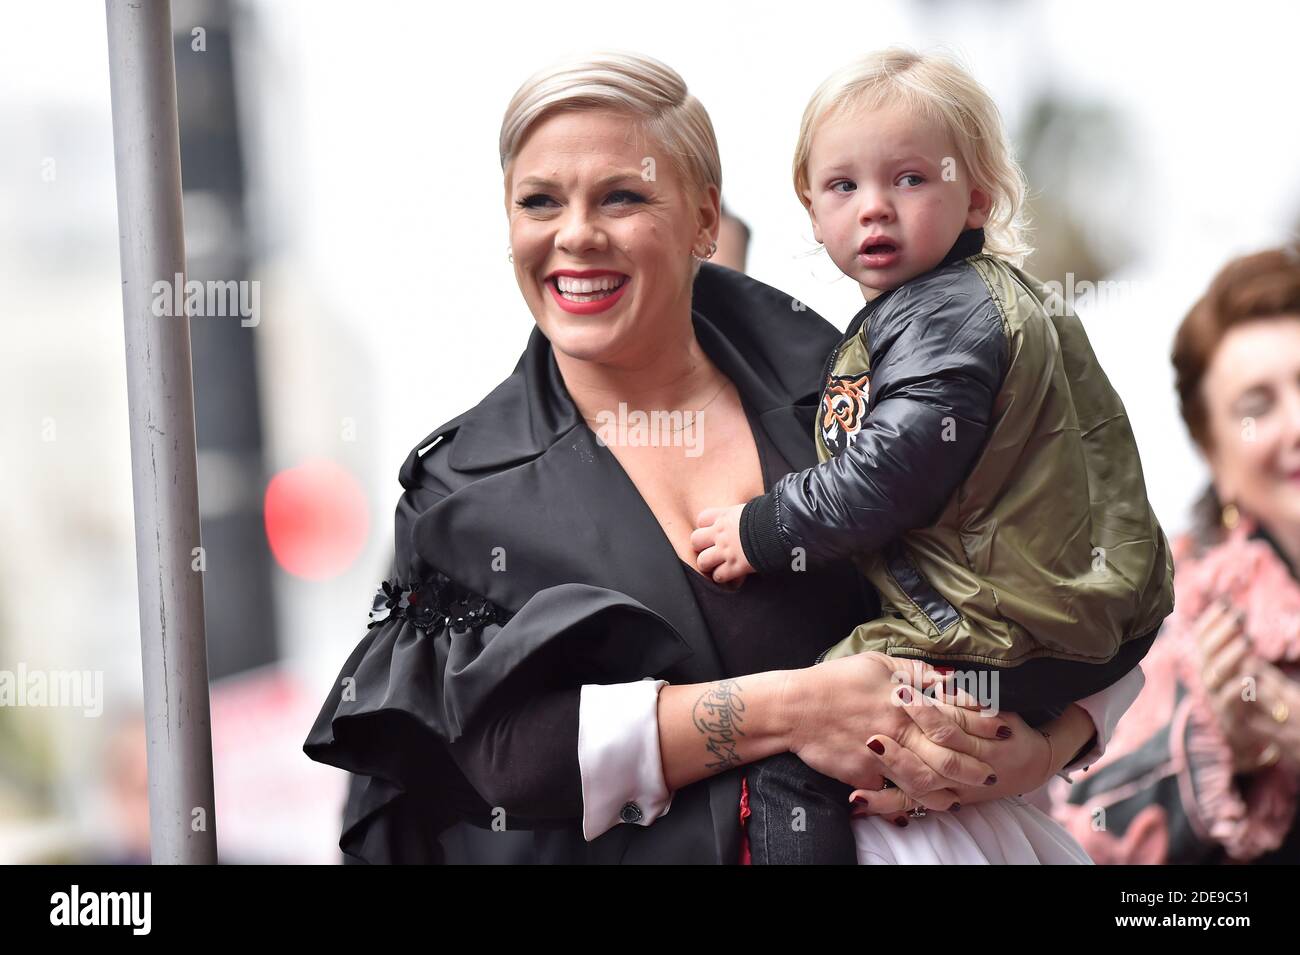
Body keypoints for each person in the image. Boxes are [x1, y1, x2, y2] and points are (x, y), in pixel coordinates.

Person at [303, 51, 1142, 865]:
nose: (577, 234)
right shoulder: (460, 490)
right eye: (539, 201)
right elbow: (492, 750)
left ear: (707, 219)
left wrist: (1044, 746)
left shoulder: (851, 376)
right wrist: (791, 708)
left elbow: (1064, 536)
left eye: (622, 196)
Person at [691, 48, 1173, 864]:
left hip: (996, 630)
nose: (875, 209)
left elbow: (887, 472)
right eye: (844, 187)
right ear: (811, 209)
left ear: (977, 194)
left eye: (910, 180)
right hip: (1080, 620)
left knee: (792, 753)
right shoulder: (970, 305)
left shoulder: (947, 316)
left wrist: (761, 528)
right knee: (897, 746)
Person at [1048, 248, 1300, 864]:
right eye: (1256, 407)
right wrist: (1222, 748)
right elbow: (1082, 830)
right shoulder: (1181, 618)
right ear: (1218, 464)